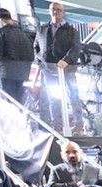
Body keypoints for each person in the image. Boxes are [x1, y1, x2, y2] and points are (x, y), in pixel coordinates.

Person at [33, 2, 81, 131]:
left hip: (68, 70)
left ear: (63, 12)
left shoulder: (71, 31)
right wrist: (40, 61)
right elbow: (36, 46)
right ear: (50, 11)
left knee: (74, 97)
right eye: (53, 9)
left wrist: (66, 61)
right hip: (48, 70)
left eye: (58, 10)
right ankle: (57, 126)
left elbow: (76, 48)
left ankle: (79, 126)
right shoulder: (42, 29)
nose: (56, 12)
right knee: (53, 98)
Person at [0, 8, 34, 102]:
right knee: (19, 101)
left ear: (0, 19)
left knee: (8, 101)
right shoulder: (25, 33)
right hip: (24, 72)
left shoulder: (1, 33)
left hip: (7, 71)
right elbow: (31, 53)